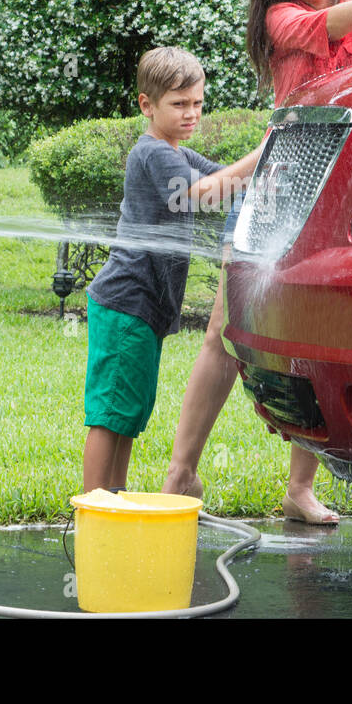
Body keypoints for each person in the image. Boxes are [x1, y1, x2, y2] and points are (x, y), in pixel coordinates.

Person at [161, 0, 352, 523]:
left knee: (313, 333)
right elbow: (332, 22)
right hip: (283, 186)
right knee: (225, 332)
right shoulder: (281, 20)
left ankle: (299, 489)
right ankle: (181, 473)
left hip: (346, 189)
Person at [82, 47, 260, 491]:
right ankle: (94, 506)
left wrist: (272, 164)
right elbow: (203, 194)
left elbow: (230, 181)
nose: (191, 113)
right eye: (179, 104)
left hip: (143, 308)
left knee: (128, 413)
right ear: (147, 105)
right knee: (110, 415)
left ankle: (114, 501)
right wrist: (262, 150)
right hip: (127, 302)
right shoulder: (153, 154)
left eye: (198, 103)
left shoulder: (177, 152)